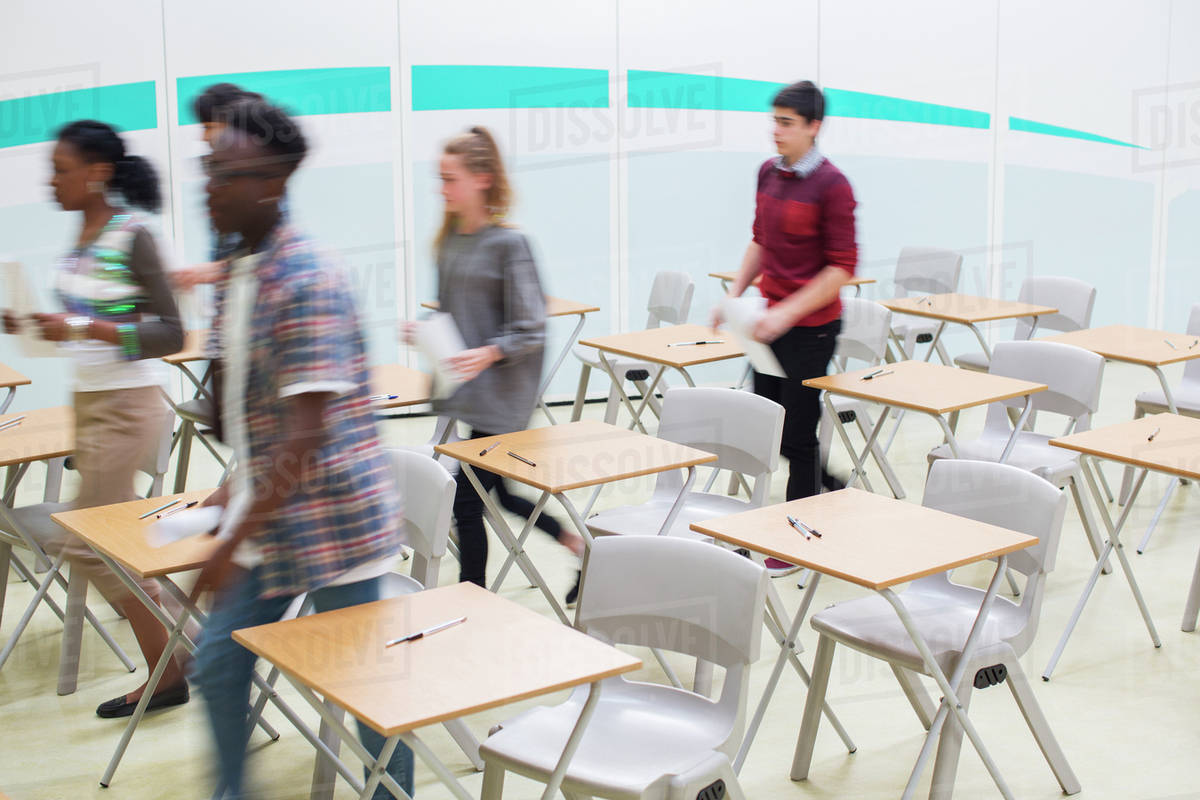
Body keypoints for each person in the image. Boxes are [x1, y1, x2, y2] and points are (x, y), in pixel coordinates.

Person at [188, 98, 412, 798]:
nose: (208, 185)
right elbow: (248, 403)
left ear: (271, 184)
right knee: (219, 663)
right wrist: (232, 486)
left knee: (363, 689)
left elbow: (306, 434)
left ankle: (392, 794)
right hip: (272, 511)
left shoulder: (307, 275)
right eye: (207, 168)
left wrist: (228, 542)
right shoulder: (238, 266)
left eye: (225, 172)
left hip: (334, 519)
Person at [1, 120, 186, 716]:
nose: (51, 179)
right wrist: (36, 325)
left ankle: (172, 663)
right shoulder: (84, 237)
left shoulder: (133, 235)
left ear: (97, 171)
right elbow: (89, 321)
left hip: (129, 405)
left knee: (91, 545)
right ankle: (186, 642)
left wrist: (79, 326)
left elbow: (169, 331)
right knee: (104, 541)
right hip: (91, 399)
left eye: (61, 168)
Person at [428, 126, 585, 597]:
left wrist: (490, 352)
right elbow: (453, 312)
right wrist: (427, 332)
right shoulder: (451, 239)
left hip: (503, 399)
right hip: (471, 394)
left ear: (481, 179)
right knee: (498, 494)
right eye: (439, 177)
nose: (442, 188)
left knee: (467, 501)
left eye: (450, 178)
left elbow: (532, 327)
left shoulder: (509, 246)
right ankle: (580, 546)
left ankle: (471, 596)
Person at [712, 81, 857, 576]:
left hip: (811, 328)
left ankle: (797, 542)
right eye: (774, 120)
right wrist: (733, 297)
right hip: (767, 324)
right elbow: (760, 240)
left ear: (814, 127)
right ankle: (827, 487)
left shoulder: (833, 186)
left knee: (798, 432)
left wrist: (788, 312)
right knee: (769, 427)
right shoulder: (767, 174)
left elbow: (841, 267)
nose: (776, 131)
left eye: (787, 123)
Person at [171, 83, 263, 292]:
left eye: (209, 127)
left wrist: (214, 271)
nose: (203, 137)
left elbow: (266, 261)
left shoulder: (259, 186)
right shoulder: (229, 178)